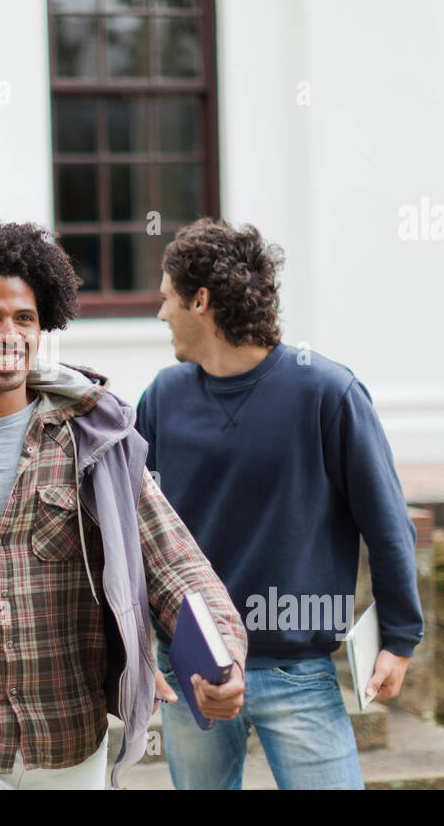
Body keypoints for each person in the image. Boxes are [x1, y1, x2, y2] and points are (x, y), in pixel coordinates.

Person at [0, 216, 248, 791]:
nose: (8, 333)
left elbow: (177, 565)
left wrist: (224, 653)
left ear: (42, 327)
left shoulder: (98, 437)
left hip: (70, 744)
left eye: (24, 318)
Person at [136, 217, 425, 790]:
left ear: (200, 300)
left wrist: (399, 638)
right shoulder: (162, 398)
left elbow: (386, 522)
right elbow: (133, 530)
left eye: (166, 298)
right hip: (192, 668)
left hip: (297, 669)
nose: (160, 313)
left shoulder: (326, 391)